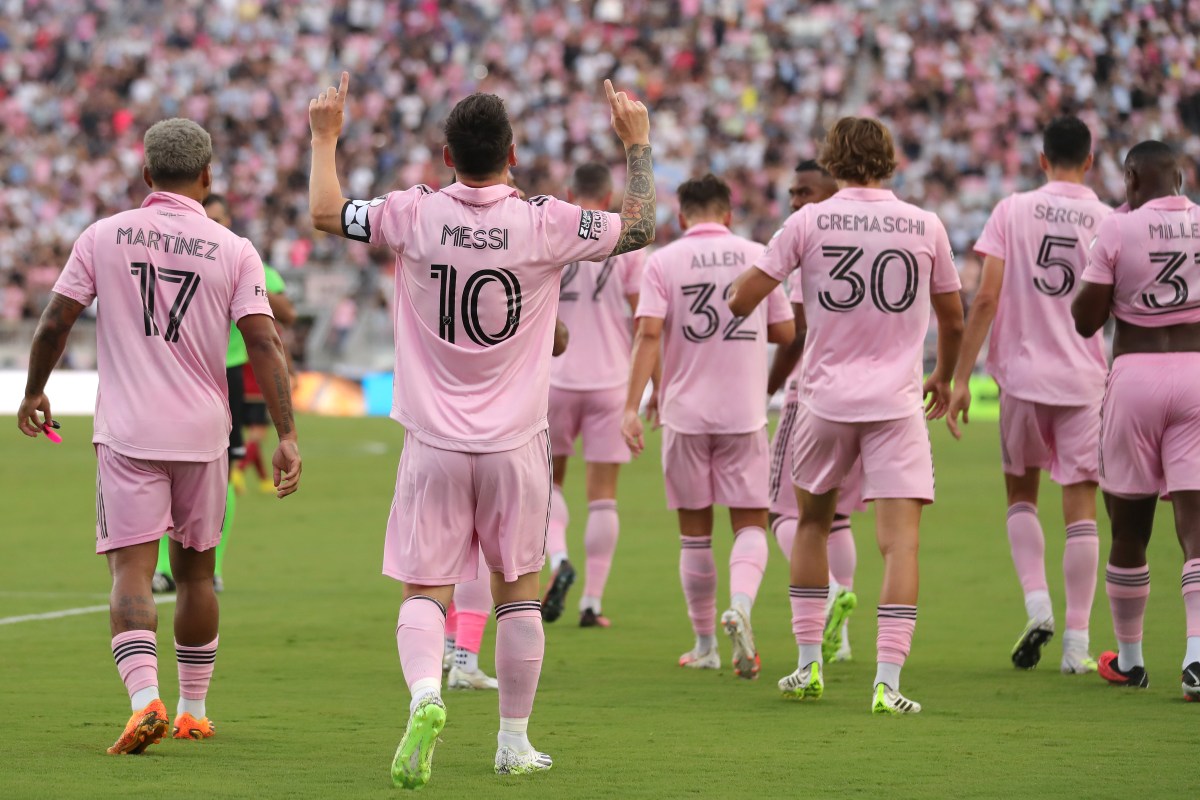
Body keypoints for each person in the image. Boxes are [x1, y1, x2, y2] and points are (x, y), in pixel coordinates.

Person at [307, 73, 655, 787]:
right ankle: (513, 743)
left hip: (432, 441)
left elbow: (323, 212)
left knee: (423, 591)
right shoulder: (547, 221)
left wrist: (324, 135)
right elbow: (642, 225)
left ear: (445, 156)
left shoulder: (413, 212)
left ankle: (428, 695)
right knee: (518, 593)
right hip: (516, 443)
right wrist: (638, 145)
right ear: (515, 154)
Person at [16, 118, 301, 754]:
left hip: (129, 433)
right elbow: (263, 340)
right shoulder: (234, 249)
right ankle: (193, 710)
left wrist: (35, 390)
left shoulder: (103, 236)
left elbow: (55, 322)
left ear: (146, 174)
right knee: (198, 576)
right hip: (203, 435)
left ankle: (145, 700)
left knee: (133, 574)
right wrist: (285, 433)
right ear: (207, 177)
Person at [729, 116, 964, 714]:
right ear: (891, 159)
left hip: (826, 400)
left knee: (809, 525)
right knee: (900, 546)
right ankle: (888, 681)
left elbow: (742, 298)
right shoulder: (925, 223)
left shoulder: (809, 220)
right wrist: (946, 374)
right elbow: (954, 317)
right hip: (896, 403)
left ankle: (808, 667)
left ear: (832, 162)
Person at [947, 116, 1111, 674]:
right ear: (1090, 161)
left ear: (1041, 159)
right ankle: (1077, 646)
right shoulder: (1109, 219)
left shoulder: (1012, 210)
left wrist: (961, 377)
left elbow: (986, 298)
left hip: (1020, 377)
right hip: (1085, 379)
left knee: (1021, 494)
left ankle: (1037, 604)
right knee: (1081, 510)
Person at [622, 173, 795, 680]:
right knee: (750, 524)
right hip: (743, 411)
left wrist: (633, 405)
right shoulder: (755, 253)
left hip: (685, 413)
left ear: (681, 217)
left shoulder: (663, 261)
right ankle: (739, 605)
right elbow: (786, 332)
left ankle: (704, 644)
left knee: (694, 538)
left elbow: (648, 334)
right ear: (728, 214)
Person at [1072, 140, 1200, 700]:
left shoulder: (1118, 229)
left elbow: (1085, 319)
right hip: (1197, 372)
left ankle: (1130, 660)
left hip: (1136, 374)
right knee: (1196, 527)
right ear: (1180, 177)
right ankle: (1197, 657)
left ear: (1129, 177)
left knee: (1129, 528)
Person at [151, 194, 297, 594]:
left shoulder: (240, 258)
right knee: (164, 475)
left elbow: (285, 314)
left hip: (223, 379)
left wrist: (251, 279)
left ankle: (209, 566)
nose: (210, 226)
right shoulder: (171, 256)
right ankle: (164, 568)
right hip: (174, 375)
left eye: (219, 219)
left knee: (222, 479)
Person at [766, 160, 863, 663]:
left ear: (834, 190)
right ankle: (841, 636)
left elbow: (797, 333)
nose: (796, 201)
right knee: (837, 517)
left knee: (783, 511)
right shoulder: (870, 239)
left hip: (815, 399)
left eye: (805, 190)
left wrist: (769, 384)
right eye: (791, 192)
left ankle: (826, 591)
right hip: (873, 399)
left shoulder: (810, 245)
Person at [544, 162, 648, 628]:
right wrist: (653, 388)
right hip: (611, 381)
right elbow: (646, 321)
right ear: (608, 199)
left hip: (555, 379)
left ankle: (559, 558)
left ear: (570, 192)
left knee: (548, 485)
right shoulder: (625, 243)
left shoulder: (554, 233)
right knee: (603, 497)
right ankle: (592, 603)